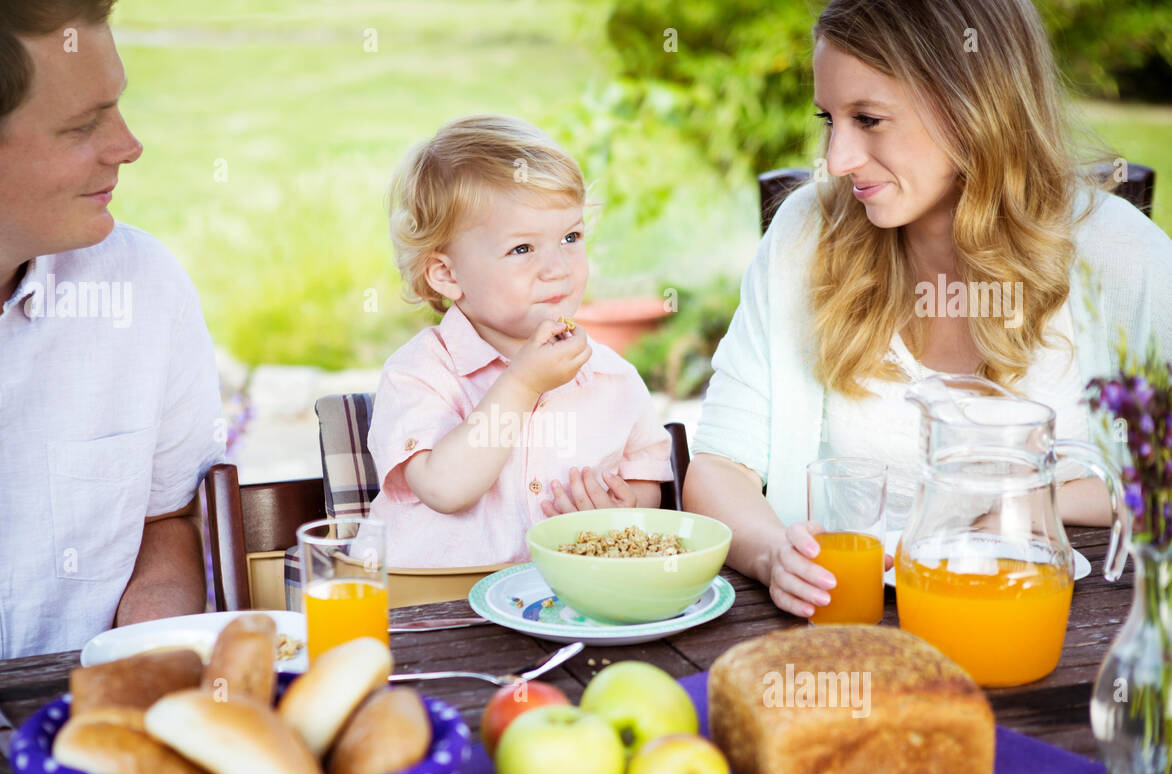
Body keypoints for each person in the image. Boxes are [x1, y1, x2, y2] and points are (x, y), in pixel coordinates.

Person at [683, 0, 1172, 619]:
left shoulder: (1115, 252)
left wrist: (1038, 499)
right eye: (829, 118)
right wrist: (771, 553)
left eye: (868, 118)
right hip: (841, 631)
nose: (837, 160)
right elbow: (720, 466)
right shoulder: (807, 234)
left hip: (1053, 635)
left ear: (973, 105)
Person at [0, 1, 225, 672]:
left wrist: (148, 666)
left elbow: (165, 521)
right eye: (84, 124)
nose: (128, 146)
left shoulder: (144, 290)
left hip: (82, 746)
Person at [365, 115, 673, 568]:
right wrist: (523, 385)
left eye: (570, 237)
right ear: (447, 274)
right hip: (436, 618)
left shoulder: (612, 378)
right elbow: (444, 488)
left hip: (562, 608)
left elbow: (647, 479)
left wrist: (624, 513)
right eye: (522, 249)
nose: (558, 269)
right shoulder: (419, 374)